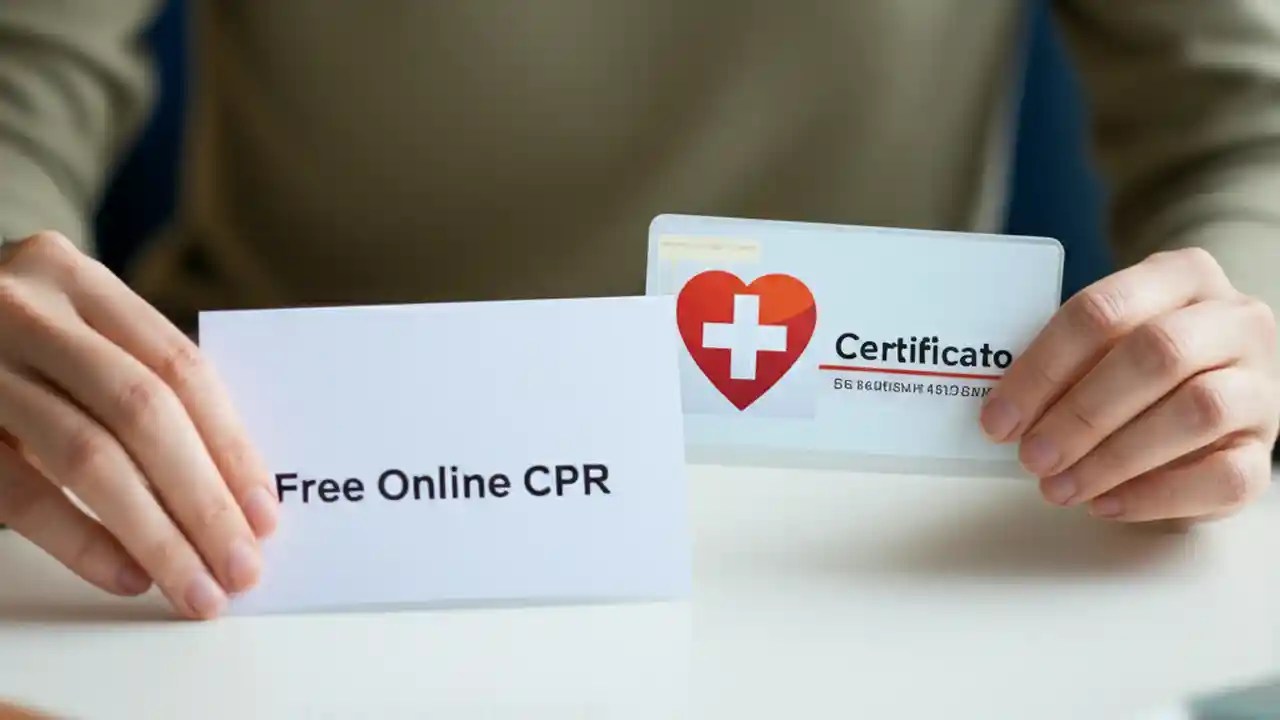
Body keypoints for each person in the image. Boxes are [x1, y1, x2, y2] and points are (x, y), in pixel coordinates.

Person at [0, 2, 1277, 621]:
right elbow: (24, 75)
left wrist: (1221, 338)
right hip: (257, 498)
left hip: (855, 539)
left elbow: (1244, 122)